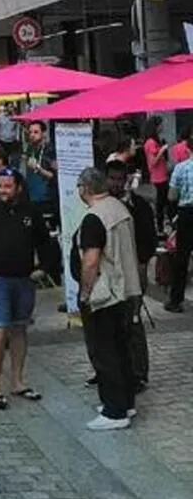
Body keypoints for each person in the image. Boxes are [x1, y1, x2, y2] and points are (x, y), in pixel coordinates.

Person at [0, 169, 54, 409]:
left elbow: (45, 242)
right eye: (0, 186)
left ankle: (18, 381)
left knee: (19, 329)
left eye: (8, 186)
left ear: (18, 187)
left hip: (24, 279)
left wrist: (44, 268)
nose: (3, 191)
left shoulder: (31, 211)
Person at [71, 167, 142, 431]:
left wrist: (85, 292)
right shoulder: (120, 209)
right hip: (126, 289)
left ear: (84, 189)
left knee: (105, 352)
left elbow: (90, 261)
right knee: (122, 349)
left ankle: (114, 411)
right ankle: (125, 402)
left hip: (105, 294)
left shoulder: (94, 218)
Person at [106, 160, 154, 392]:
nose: (115, 183)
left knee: (133, 321)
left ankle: (138, 372)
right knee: (110, 322)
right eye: (111, 178)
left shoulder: (138, 205)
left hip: (133, 268)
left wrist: (142, 265)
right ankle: (111, 369)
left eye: (119, 179)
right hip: (109, 271)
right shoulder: (102, 205)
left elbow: (149, 238)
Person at [166, 151, 193, 313]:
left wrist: (173, 216)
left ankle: (176, 300)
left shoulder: (180, 168)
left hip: (186, 214)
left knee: (182, 257)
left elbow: (172, 195)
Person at [23, 121, 58, 229]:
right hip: (32, 197)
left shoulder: (50, 150)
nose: (32, 135)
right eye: (30, 132)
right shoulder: (29, 149)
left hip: (46, 198)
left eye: (36, 132)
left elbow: (54, 176)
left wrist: (38, 169)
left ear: (43, 133)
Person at [142, 117, 171, 233]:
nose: (162, 128)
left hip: (162, 175)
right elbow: (153, 162)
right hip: (158, 177)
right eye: (160, 125)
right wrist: (162, 150)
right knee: (161, 203)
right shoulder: (150, 143)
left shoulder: (156, 141)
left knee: (165, 202)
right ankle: (160, 227)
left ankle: (165, 223)